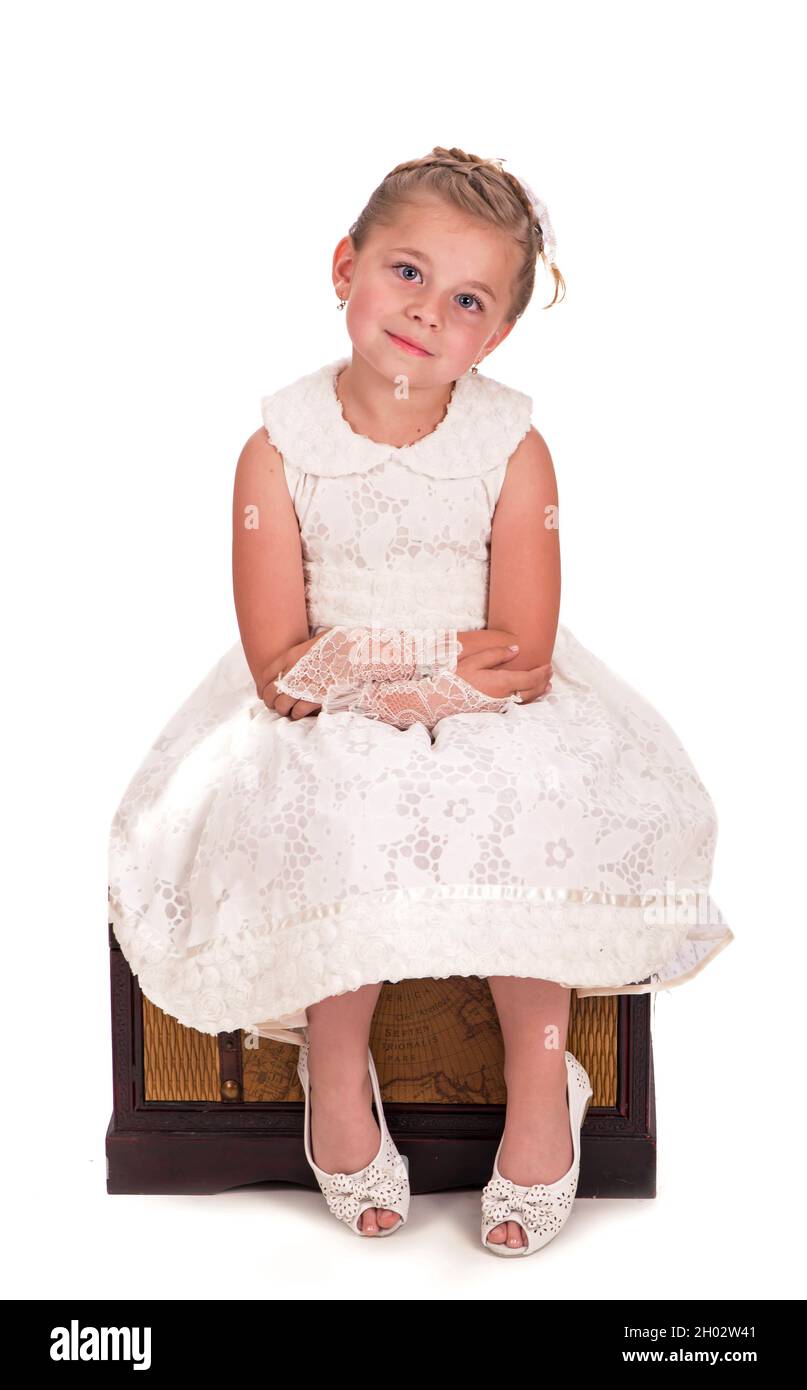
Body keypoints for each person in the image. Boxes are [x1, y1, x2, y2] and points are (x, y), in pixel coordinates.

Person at [108, 145, 734, 1256]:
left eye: (467, 299)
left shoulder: (514, 448)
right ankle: (334, 1073)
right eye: (405, 271)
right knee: (331, 807)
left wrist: (427, 682)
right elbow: (281, 670)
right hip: (322, 710)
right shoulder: (276, 451)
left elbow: (525, 654)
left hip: (492, 707)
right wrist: (401, 675)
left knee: (540, 802)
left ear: (492, 337)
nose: (426, 312)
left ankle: (544, 1083)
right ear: (344, 265)